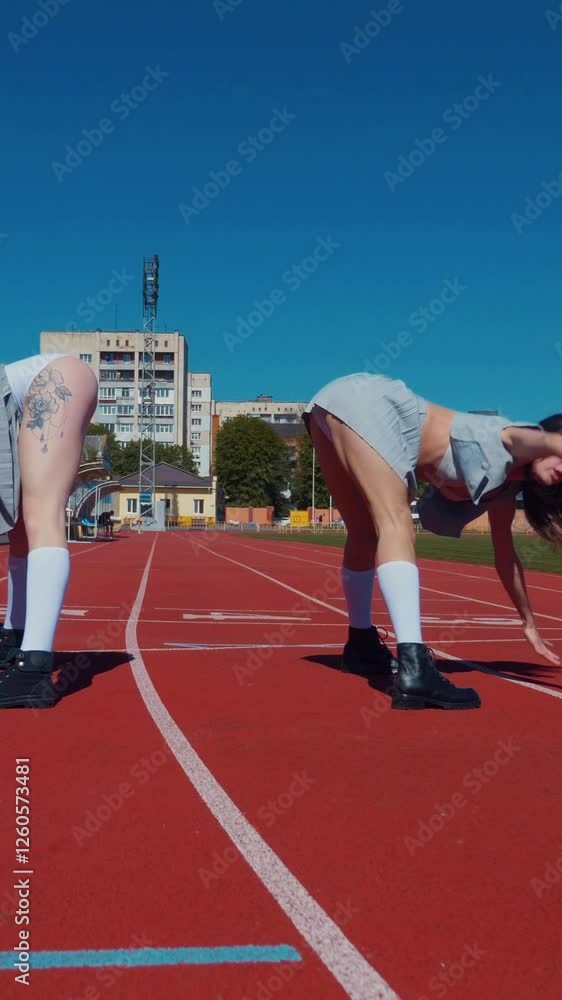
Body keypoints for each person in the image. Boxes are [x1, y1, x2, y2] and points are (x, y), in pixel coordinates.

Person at [303, 372, 562, 711]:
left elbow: (505, 555)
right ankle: (415, 669)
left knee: (365, 532)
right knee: (395, 522)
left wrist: (527, 620)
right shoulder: (516, 438)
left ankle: (361, 645)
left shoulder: (504, 488)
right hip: (369, 402)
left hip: (329, 406)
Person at [0, 353, 98, 708]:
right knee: (21, 532)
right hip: (44, 387)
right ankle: (15, 638)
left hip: (57, 380)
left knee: (43, 513)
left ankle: (34, 670)